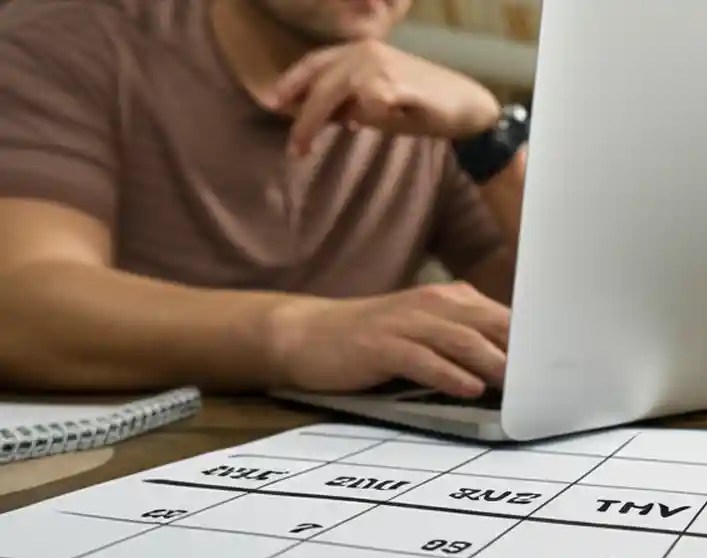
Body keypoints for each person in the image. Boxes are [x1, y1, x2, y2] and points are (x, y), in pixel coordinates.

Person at [0, 0, 529, 400]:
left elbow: (553, 324)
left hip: (323, 490)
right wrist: (299, 334)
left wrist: (494, 141)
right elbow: (20, 306)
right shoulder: (62, 43)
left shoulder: (425, 105)